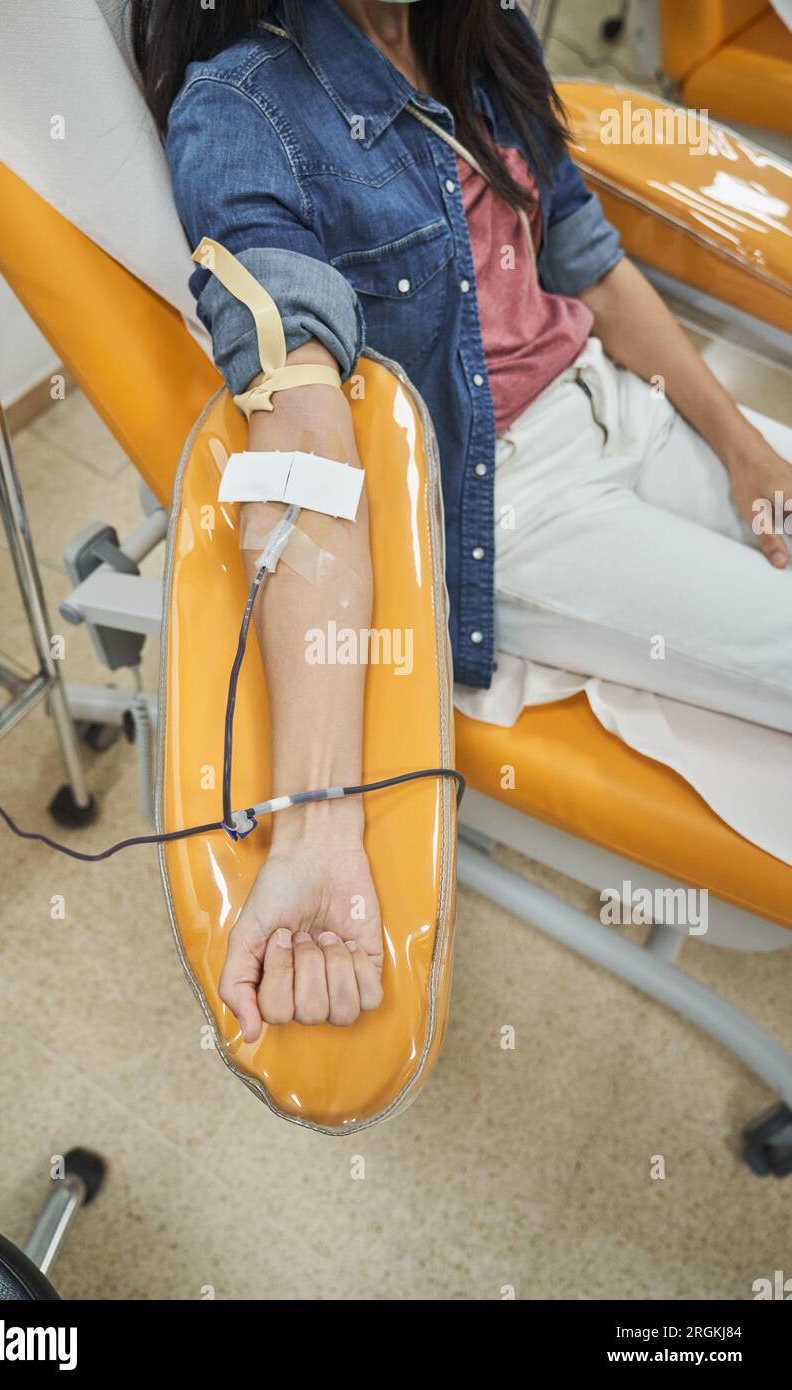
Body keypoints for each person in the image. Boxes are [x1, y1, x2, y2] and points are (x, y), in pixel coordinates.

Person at [131, 0, 792, 1039]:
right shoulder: (241, 115)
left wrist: (742, 445)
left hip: (613, 400)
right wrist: (317, 822)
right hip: (512, 507)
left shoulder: (484, 36)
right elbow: (300, 430)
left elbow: (591, 270)